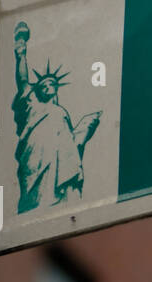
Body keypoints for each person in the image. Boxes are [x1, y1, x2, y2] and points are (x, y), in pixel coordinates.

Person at [12, 21, 101, 213]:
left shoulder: (61, 112)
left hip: (60, 164)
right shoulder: (31, 106)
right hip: (34, 154)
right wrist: (21, 53)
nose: (46, 85)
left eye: (51, 83)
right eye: (43, 84)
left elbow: (71, 145)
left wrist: (86, 127)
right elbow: (23, 82)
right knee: (34, 198)